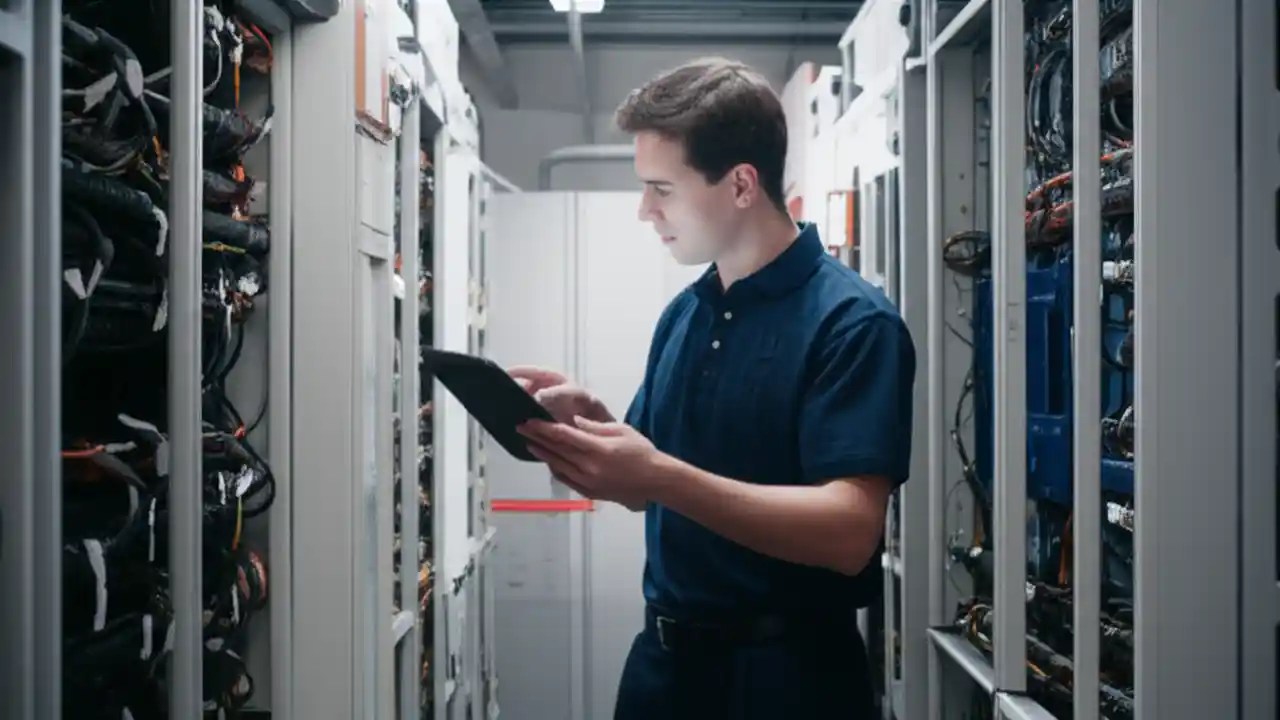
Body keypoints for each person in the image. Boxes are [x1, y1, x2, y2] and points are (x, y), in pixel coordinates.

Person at [510, 57, 916, 719]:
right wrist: (590, 425)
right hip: (665, 672)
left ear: (740, 186)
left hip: (789, 683)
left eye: (661, 189)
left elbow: (848, 533)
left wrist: (661, 475)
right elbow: (644, 484)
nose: (645, 210)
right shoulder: (689, 312)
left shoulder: (852, 324)